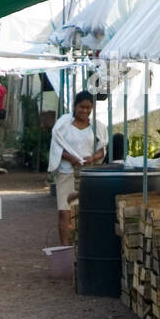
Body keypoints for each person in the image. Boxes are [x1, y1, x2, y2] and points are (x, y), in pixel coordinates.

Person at [48, 90, 107, 246]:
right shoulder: (63, 124)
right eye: (82, 107)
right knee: (64, 211)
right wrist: (71, 158)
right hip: (66, 172)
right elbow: (56, 147)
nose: (85, 111)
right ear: (75, 106)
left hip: (87, 174)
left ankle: (84, 247)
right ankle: (66, 247)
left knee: (85, 212)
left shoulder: (97, 126)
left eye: (88, 108)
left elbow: (102, 149)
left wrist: (92, 158)